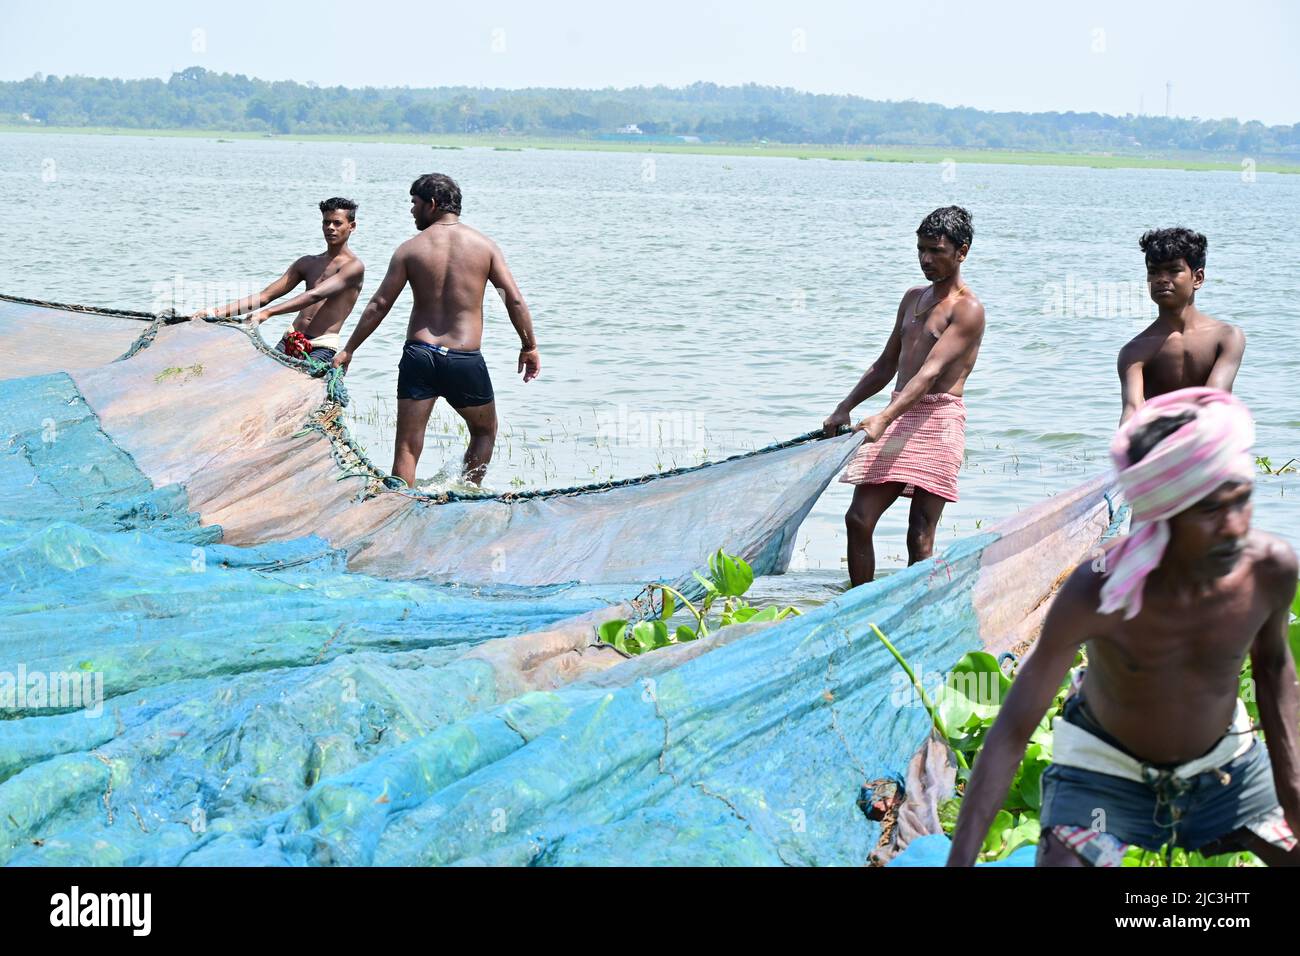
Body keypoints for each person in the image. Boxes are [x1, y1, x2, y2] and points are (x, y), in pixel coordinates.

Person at [947, 388, 1299, 867]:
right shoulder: (1099, 590)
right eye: (1211, 511)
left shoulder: (1269, 570)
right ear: (1164, 512)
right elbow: (1011, 729)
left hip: (1222, 765)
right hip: (1103, 770)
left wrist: (1293, 790)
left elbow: (1276, 670)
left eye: (1241, 501)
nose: (1236, 527)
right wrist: (960, 860)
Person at [332, 174, 539, 487]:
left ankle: (400, 507)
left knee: (407, 445)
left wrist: (349, 349)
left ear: (432, 204)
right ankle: (464, 494)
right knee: (484, 432)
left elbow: (379, 304)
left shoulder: (409, 250)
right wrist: (529, 346)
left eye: (414, 204)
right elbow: (514, 299)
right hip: (464, 358)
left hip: (420, 355)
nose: (412, 211)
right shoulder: (485, 247)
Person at [822, 206, 985, 587]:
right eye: (920, 250)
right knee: (858, 519)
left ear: (962, 252)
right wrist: (844, 408)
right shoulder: (913, 298)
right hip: (900, 412)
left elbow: (929, 374)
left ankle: (915, 613)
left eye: (936, 251)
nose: (926, 259)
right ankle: (858, 606)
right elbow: (885, 365)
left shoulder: (968, 309)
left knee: (920, 536)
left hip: (939, 420)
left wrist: (882, 417)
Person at [192, 198, 364, 363]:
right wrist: (215, 312)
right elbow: (265, 296)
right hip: (290, 339)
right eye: (326, 222)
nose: (330, 228)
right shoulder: (307, 263)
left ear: (352, 226)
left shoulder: (353, 267)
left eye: (337, 223)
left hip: (321, 346)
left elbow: (315, 295)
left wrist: (268, 313)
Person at [1117, 227, 1244, 424]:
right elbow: (1132, 410)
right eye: (1153, 272)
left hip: (1210, 441)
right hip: (1160, 447)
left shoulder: (1226, 337)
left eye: (1174, 270)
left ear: (1198, 278)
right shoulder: (1134, 351)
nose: (1161, 279)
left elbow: (1212, 403)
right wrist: (1125, 445)